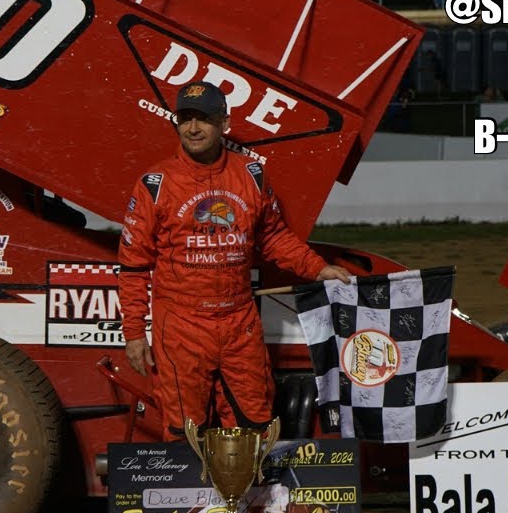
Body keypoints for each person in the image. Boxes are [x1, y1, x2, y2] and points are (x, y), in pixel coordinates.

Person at [118, 81, 352, 441]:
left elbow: (273, 237)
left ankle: (248, 498)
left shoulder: (251, 175)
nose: (194, 128)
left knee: (256, 422)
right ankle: (195, 500)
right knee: (185, 429)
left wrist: (318, 268)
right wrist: (134, 332)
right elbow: (133, 265)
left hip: (239, 321)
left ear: (224, 124)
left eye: (205, 119)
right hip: (181, 325)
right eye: (186, 119)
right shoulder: (155, 184)